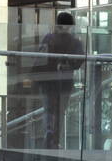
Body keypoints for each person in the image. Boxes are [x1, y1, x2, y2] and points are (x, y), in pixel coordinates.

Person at [36, 11, 85, 149]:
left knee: (48, 110)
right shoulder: (74, 42)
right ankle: (55, 139)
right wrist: (66, 65)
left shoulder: (48, 38)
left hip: (47, 81)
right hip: (65, 81)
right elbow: (79, 61)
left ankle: (49, 135)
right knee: (60, 111)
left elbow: (40, 58)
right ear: (70, 26)